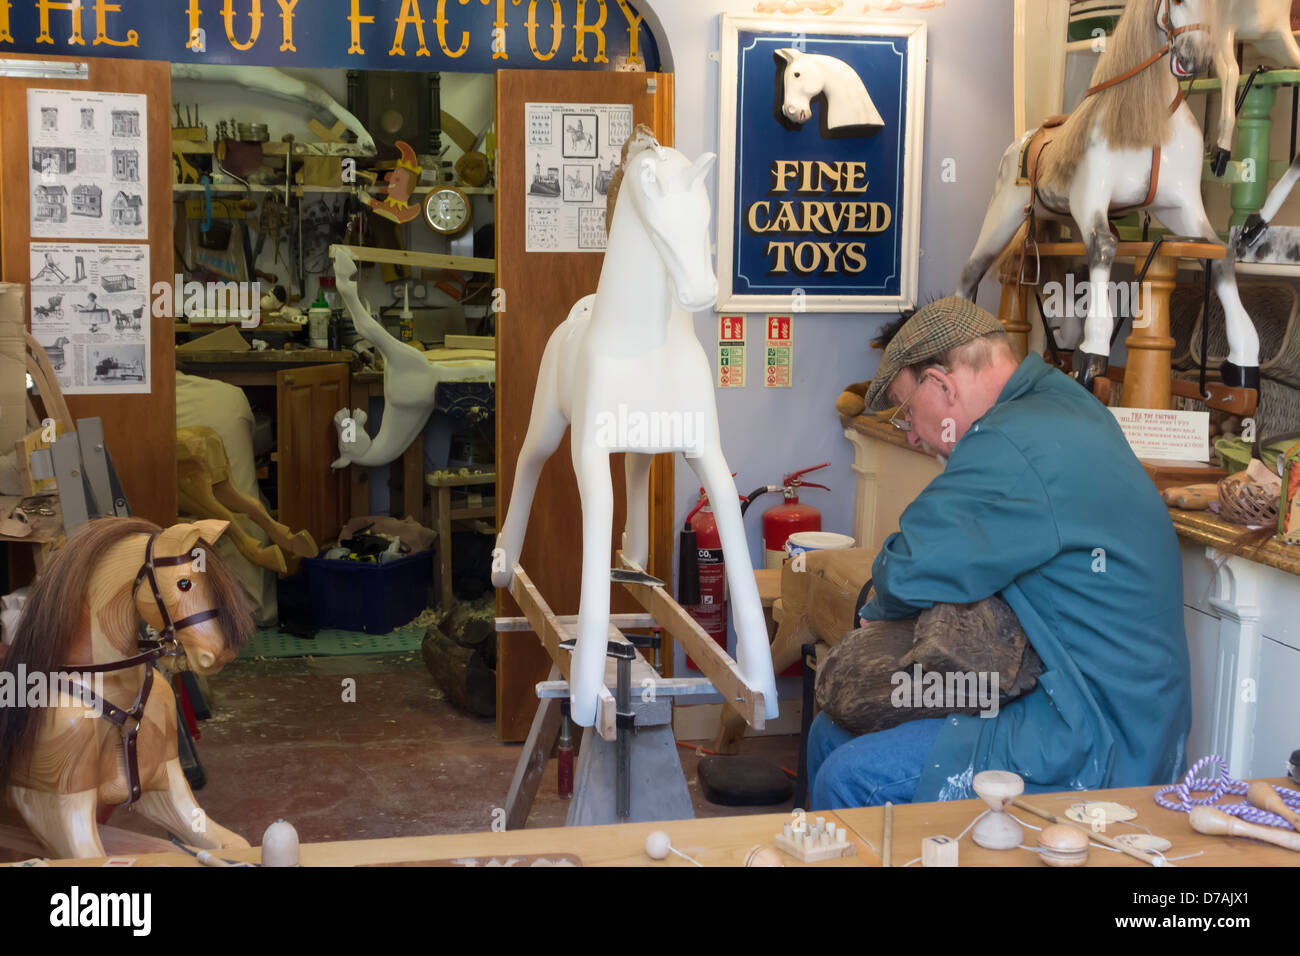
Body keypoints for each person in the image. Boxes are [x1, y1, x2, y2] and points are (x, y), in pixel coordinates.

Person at [808, 296, 1191, 808]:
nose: (915, 434)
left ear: (941, 385)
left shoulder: (1009, 441)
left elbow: (902, 570)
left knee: (849, 777)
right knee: (829, 734)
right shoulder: (1061, 404)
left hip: (1092, 732)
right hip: (1081, 698)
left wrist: (874, 610)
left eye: (905, 413)